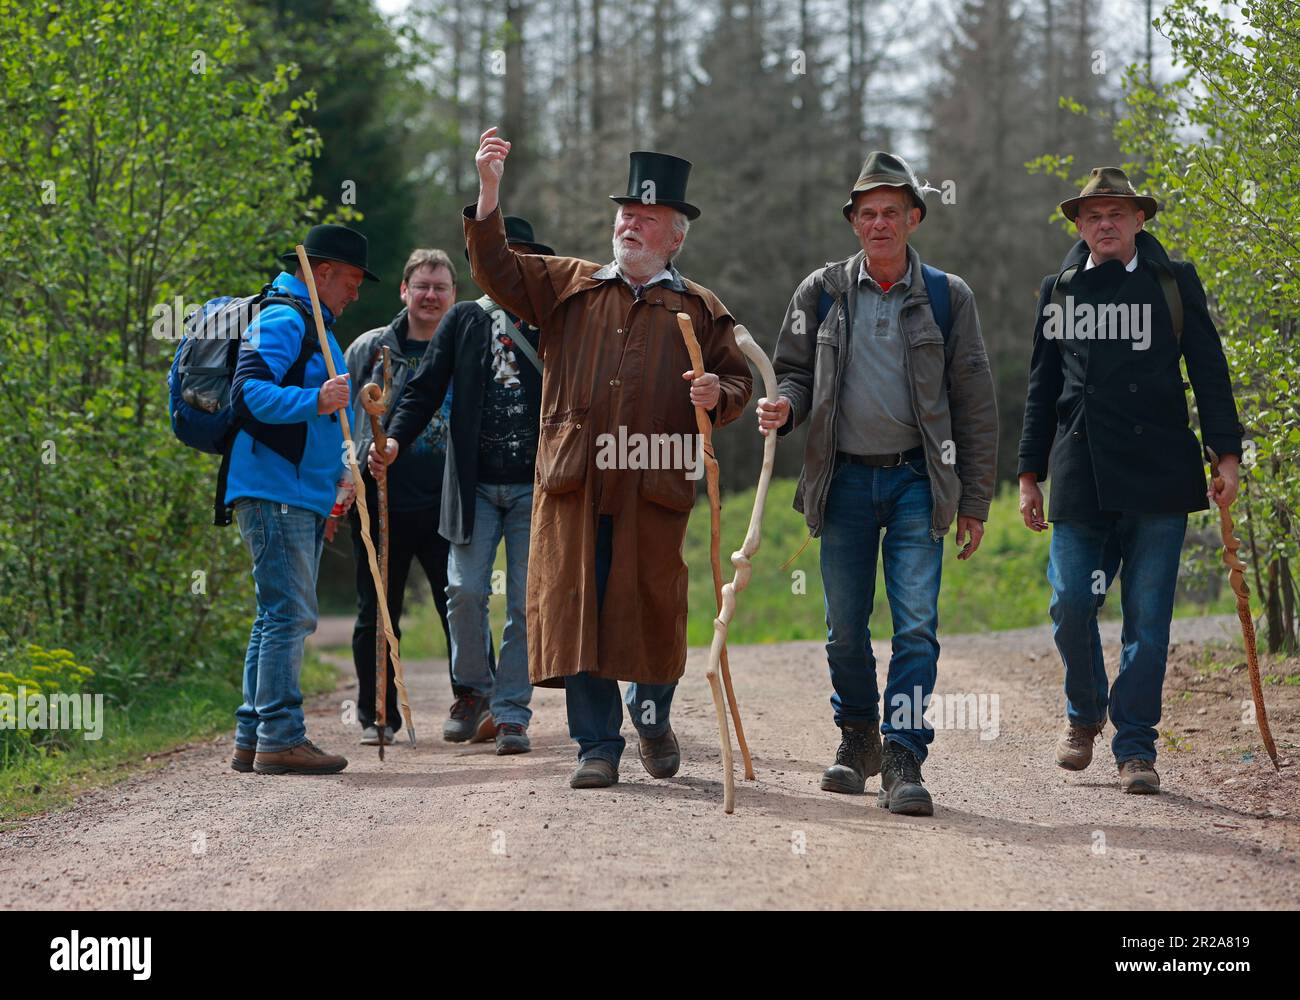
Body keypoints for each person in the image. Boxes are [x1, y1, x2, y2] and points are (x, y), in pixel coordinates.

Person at [464, 127, 752, 789]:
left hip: (655, 484)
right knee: (580, 609)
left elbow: (737, 381)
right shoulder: (565, 284)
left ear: (676, 236)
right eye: (625, 215)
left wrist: (718, 393)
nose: (630, 226)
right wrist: (488, 192)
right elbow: (494, 269)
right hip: (575, 482)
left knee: (652, 609)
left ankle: (651, 718)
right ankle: (597, 747)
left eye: (646, 219)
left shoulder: (701, 309)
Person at [758, 152, 998, 815]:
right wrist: (784, 405)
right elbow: (793, 373)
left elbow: (975, 402)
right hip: (843, 482)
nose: (880, 223)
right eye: (868, 213)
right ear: (854, 223)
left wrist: (974, 499)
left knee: (916, 626)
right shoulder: (822, 292)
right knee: (843, 627)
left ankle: (903, 754)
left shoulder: (950, 297)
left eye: (893, 211)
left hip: (918, 479)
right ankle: (858, 736)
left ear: (914, 218)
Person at [1017, 167, 1243, 794]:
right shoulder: (1058, 290)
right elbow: (1041, 386)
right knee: (1068, 602)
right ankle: (1085, 712)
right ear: (1080, 225)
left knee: (1148, 620)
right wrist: (1029, 473)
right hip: (1079, 469)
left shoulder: (1173, 283)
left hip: (1159, 473)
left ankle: (1137, 748)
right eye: (1094, 215)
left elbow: (1209, 371)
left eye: (1117, 213)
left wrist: (1226, 456)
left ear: (1140, 220)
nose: (1106, 223)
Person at [374, 219, 552, 754]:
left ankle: (512, 713)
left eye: (519, 260)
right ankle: (474, 691)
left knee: (524, 602)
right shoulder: (464, 320)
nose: (509, 268)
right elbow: (422, 389)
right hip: (472, 486)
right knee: (465, 591)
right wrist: (394, 441)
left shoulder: (553, 320)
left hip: (533, 487)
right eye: (501, 258)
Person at [226, 224, 376, 775]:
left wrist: (332, 490)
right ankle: (281, 736)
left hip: (296, 494)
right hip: (274, 492)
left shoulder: (316, 324)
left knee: (274, 616)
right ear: (324, 272)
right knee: (289, 615)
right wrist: (317, 398)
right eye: (352, 280)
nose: (356, 292)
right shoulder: (285, 317)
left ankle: (253, 734)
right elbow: (249, 392)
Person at [344, 248, 459, 746]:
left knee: (459, 605)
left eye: (440, 287)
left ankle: (474, 704)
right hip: (379, 501)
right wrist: (346, 482)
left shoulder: (464, 346)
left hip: (447, 503)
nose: (430, 295)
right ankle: (377, 717)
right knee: (377, 610)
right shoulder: (369, 350)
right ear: (404, 291)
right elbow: (343, 422)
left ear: (454, 296)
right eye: (422, 286)